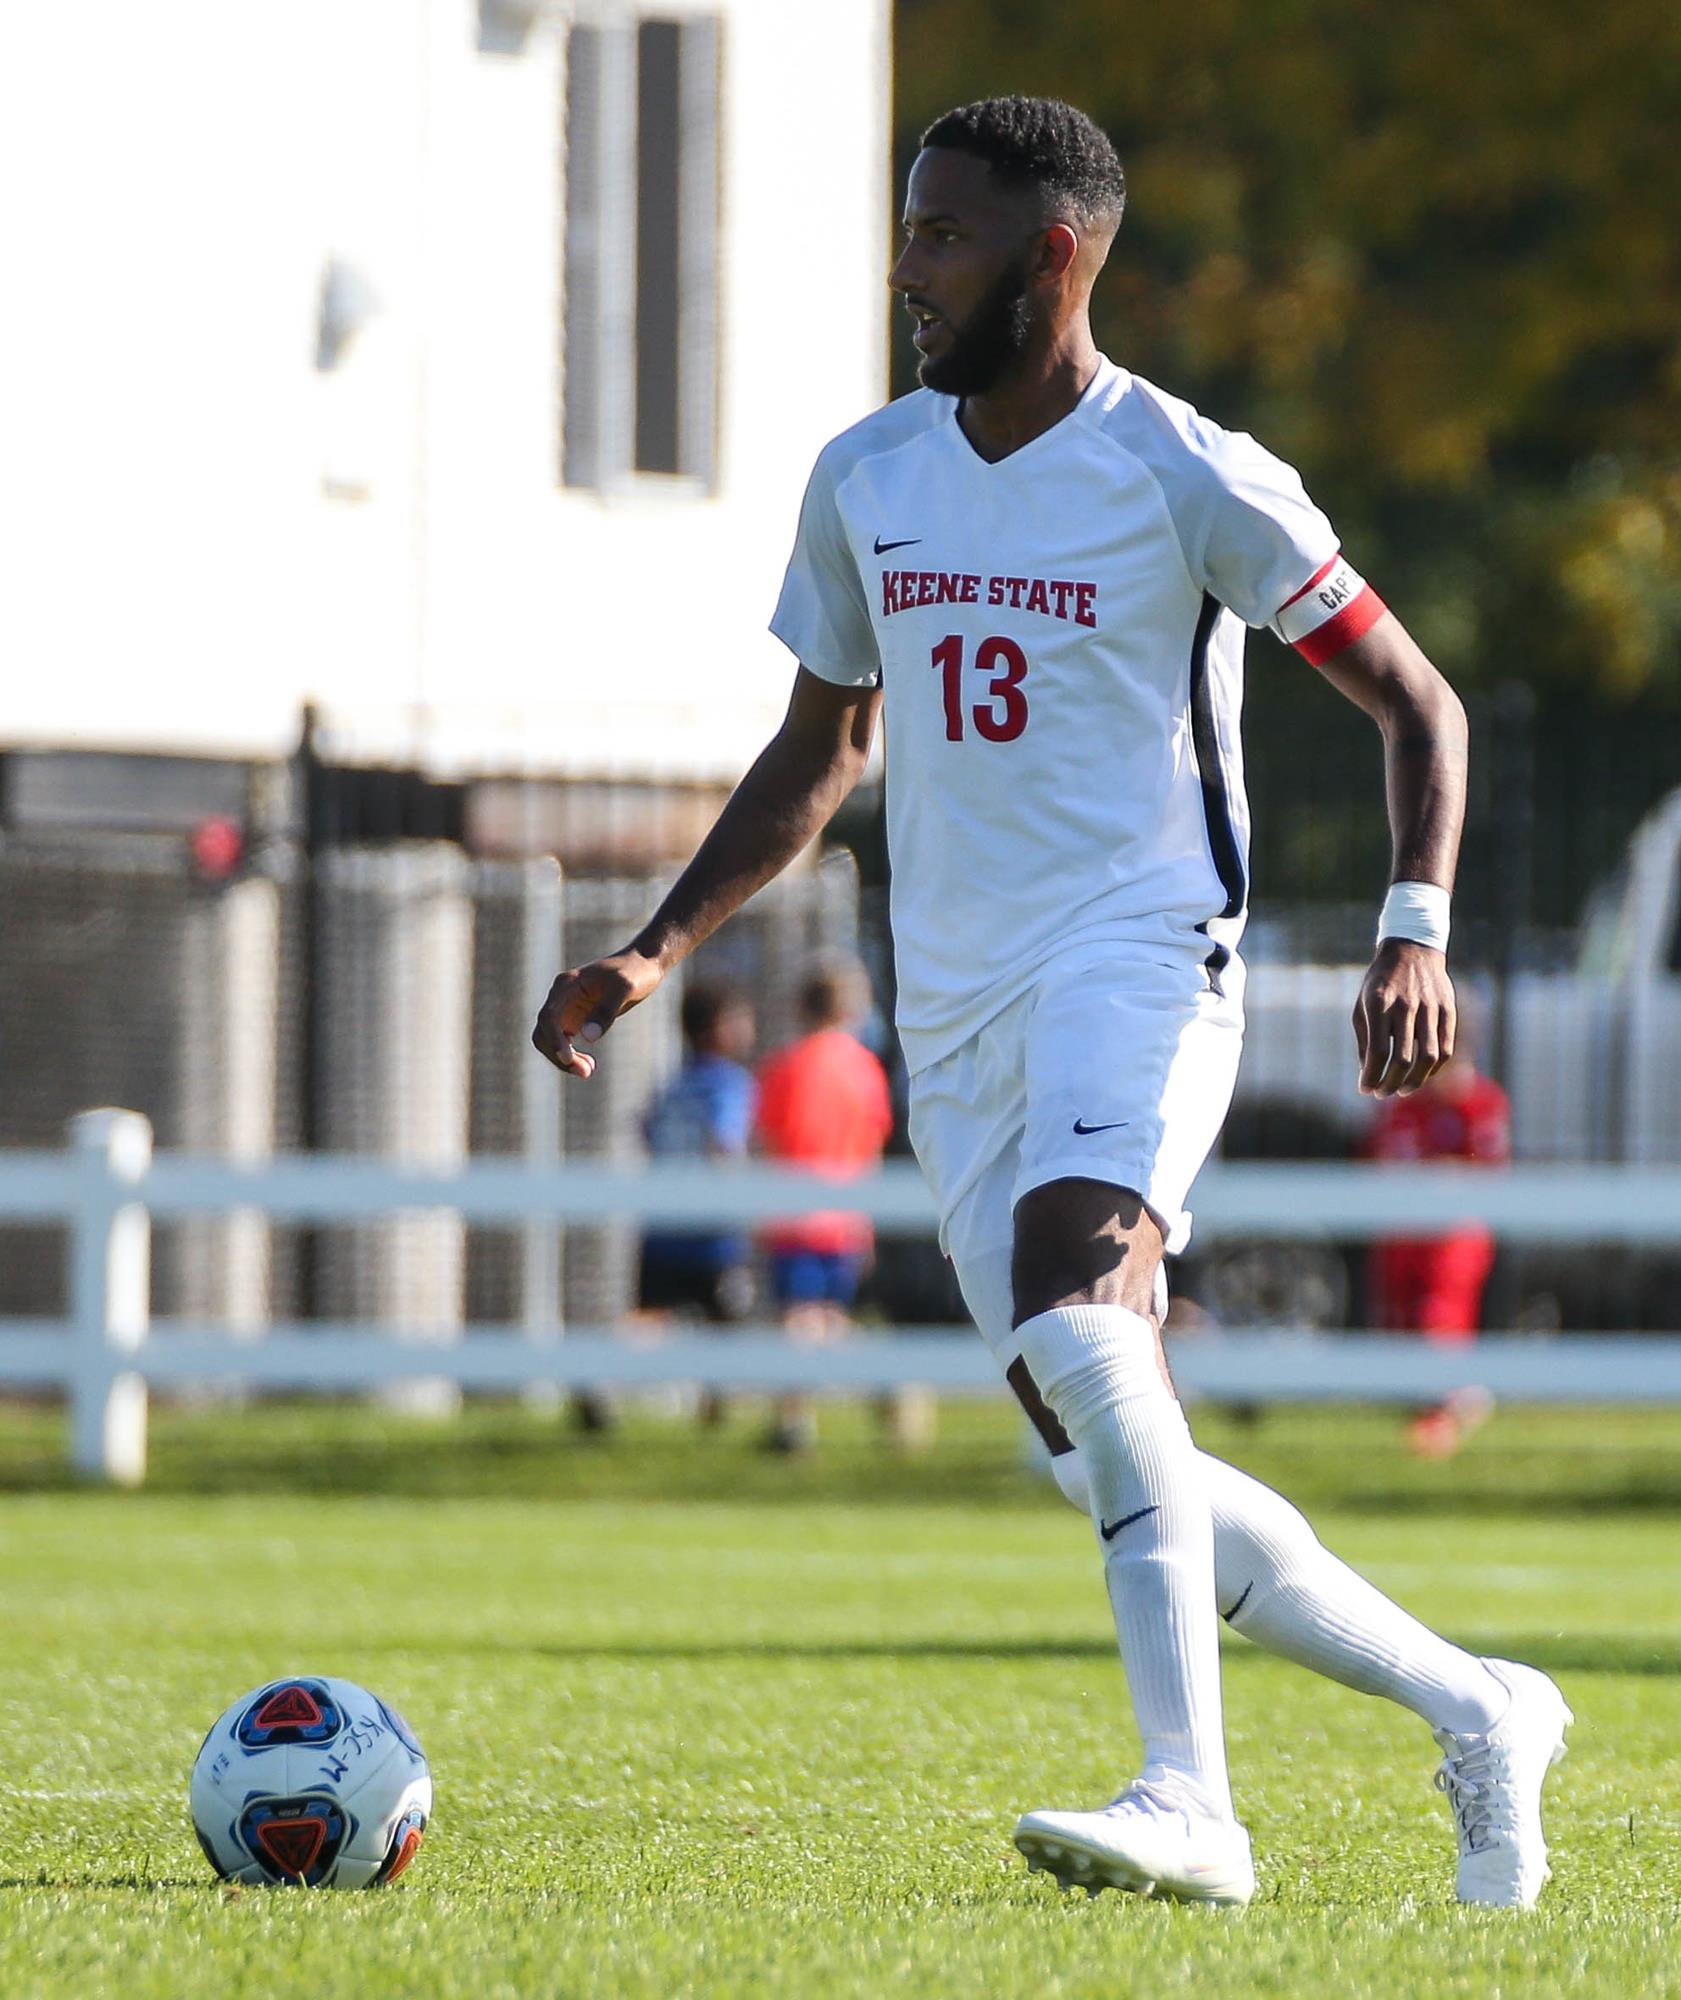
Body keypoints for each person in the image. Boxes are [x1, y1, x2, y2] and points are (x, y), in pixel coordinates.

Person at [534, 97, 1570, 1910]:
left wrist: (1414, 927)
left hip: (1143, 953)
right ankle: (1477, 1705)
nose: (907, 269)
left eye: (944, 236)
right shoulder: (868, 475)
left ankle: (1194, 1804)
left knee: (1089, 1332)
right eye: (909, 230)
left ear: (1055, 254)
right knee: (1103, 1447)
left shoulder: (1187, 471)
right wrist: (656, 946)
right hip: (954, 1012)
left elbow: (1420, 703)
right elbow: (821, 748)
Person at [754, 955, 895, 1452]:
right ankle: (885, 1380)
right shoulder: (866, 1070)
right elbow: (872, 1147)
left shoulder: (786, 1067)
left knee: (797, 1319)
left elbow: (769, 1143)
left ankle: (794, 1422)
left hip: (795, 1218)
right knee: (827, 1317)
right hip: (847, 1218)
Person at [1368, 1037, 1512, 1455]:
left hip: (1457, 1229)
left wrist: (1448, 1185)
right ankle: (1427, 1398)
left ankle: (1439, 1411)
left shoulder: (1482, 1101)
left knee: (1441, 1312)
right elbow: (1391, 1163)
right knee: (1399, 1310)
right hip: (1408, 1227)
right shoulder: (1407, 1102)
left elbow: (1491, 1168)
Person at [632, 980, 758, 1431]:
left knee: (652, 1313)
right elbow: (725, 1144)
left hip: (663, 1224)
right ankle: (715, 1409)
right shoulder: (727, 1083)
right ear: (717, 1028)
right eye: (738, 1019)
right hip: (710, 1231)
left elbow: (645, 1130)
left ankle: (602, 1377)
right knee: (725, 1318)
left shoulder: (674, 1083)